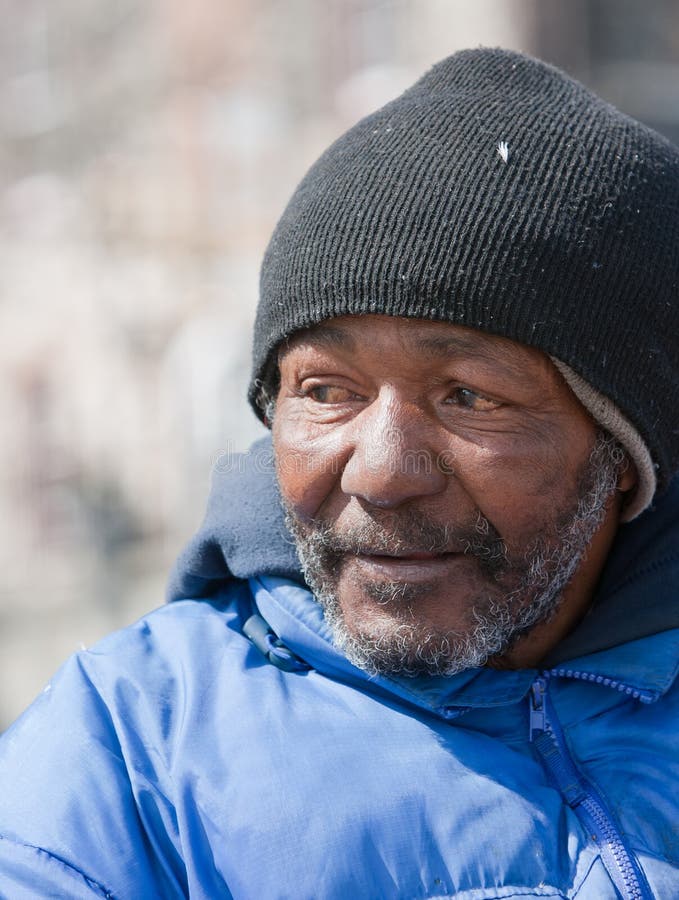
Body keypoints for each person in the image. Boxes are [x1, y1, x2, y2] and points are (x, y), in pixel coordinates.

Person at [0, 46, 678, 899]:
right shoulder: (128, 753)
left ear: (624, 451)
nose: (382, 474)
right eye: (326, 391)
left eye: (469, 396)